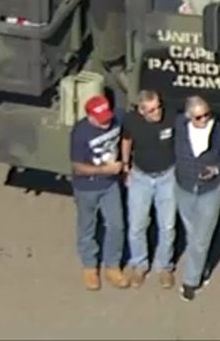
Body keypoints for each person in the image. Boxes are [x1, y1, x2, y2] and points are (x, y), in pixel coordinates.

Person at [173, 95, 220, 301]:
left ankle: (191, 281)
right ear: (189, 116)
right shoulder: (180, 128)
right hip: (184, 188)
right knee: (192, 233)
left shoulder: (217, 131)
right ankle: (202, 266)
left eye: (207, 115)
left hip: (210, 190)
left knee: (200, 239)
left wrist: (216, 169)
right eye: (199, 117)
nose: (204, 120)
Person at [69, 94, 130, 291]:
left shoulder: (117, 118)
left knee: (117, 225)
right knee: (87, 227)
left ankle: (112, 265)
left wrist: (126, 163)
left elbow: (127, 134)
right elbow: (78, 167)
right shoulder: (80, 133)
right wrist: (106, 170)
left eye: (108, 118)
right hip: (86, 187)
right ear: (90, 117)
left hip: (110, 184)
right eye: (102, 120)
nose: (107, 123)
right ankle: (90, 267)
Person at [120, 89, 177, 289]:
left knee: (167, 226)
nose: (157, 113)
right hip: (140, 178)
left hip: (167, 177)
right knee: (137, 225)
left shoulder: (171, 117)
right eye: (151, 110)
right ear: (141, 111)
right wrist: (125, 166)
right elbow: (126, 140)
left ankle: (165, 267)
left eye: (158, 107)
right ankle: (139, 265)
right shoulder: (131, 121)